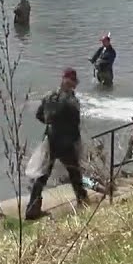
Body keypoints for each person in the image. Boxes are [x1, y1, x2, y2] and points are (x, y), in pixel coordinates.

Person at [25, 69, 90, 221]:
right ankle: (82, 200)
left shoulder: (49, 96)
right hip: (66, 142)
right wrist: (76, 141)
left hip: (51, 140)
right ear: (73, 83)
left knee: (42, 175)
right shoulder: (72, 100)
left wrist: (51, 127)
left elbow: (39, 115)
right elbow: (76, 123)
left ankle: (32, 209)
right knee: (74, 173)